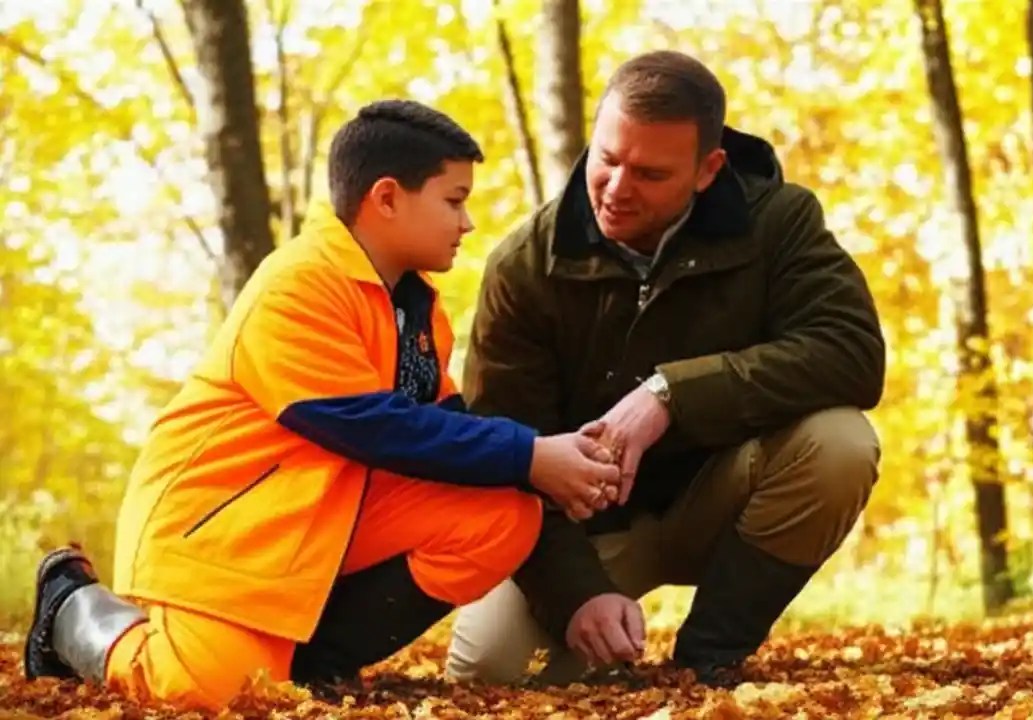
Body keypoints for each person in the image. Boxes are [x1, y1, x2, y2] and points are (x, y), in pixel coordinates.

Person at [23, 100, 621, 710]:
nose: (466, 222)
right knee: (203, 693)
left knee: (503, 514)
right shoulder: (297, 285)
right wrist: (528, 453)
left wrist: (549, 467)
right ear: (386, 198)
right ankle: (73, 603)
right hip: (224, 531)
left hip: (327, 515)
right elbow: (367, 424)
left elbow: (440, 425)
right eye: (454, 199)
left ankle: (317, 663)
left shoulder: (416, 307)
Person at [444, 50, 885, 687]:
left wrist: (670, 394)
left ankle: (707, 660)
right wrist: (577, 595)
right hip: (582, 530)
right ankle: (596, 621)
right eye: (607, 160)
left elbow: (852, 353)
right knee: (487, 672)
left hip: (725, 497)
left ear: (709, 170)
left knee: (842, 443)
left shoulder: (781, 222)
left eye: (650, 173)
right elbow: (507, 450)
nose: (618, 189)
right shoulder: (525, 262)